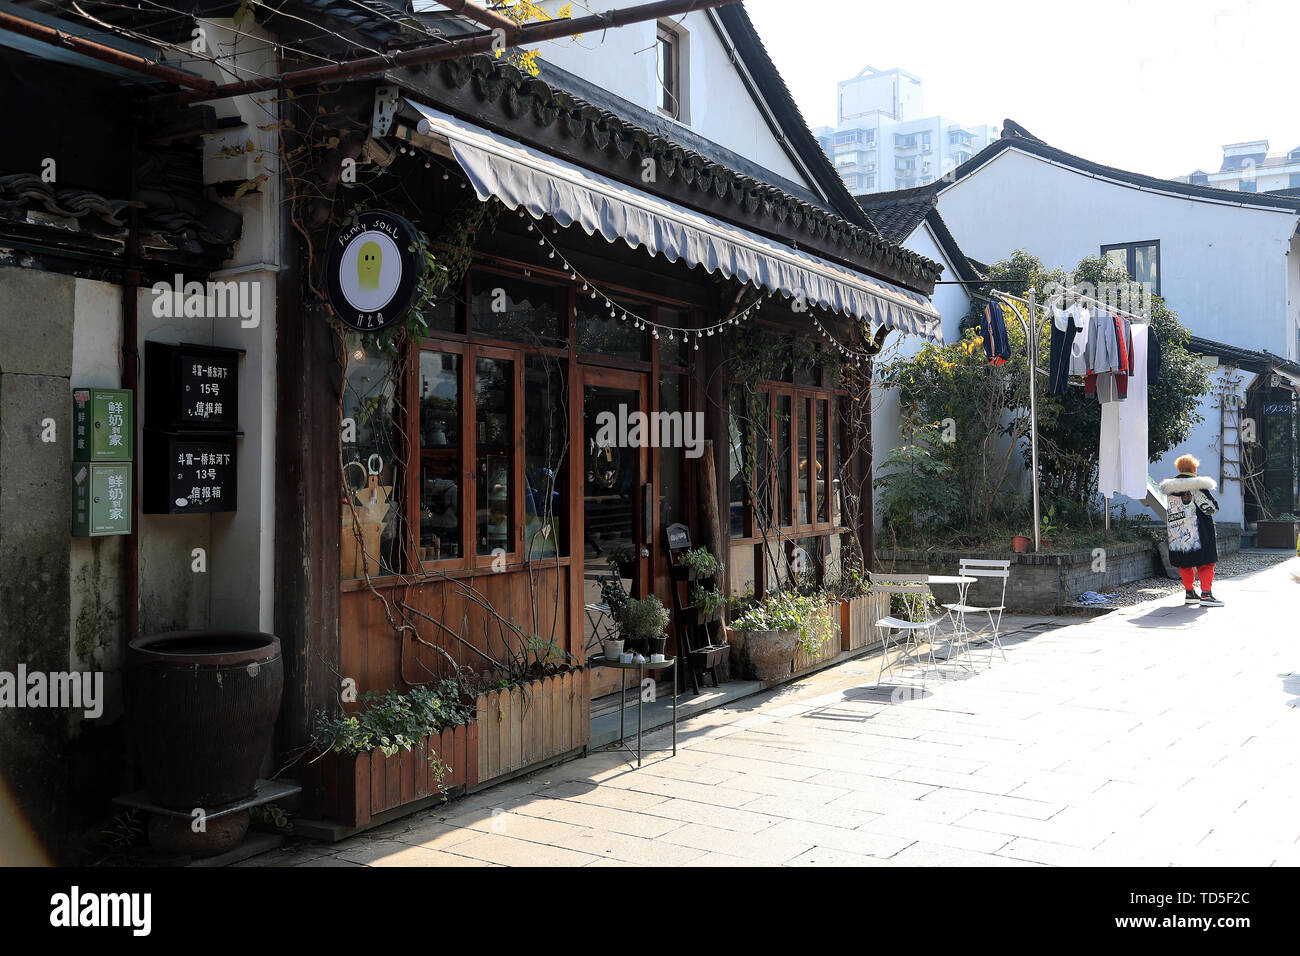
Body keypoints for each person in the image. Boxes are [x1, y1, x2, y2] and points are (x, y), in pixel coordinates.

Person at [1158, 455, 1222, 606]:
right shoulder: (1197, 485)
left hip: (1178, 532)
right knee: (1206, 562)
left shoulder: (1170, 489)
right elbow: (1212, 508)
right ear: (1194, 469)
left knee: (1184, 562)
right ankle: (1206, 594)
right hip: (1200, 531)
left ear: (1179, 469)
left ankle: (1189, 592)